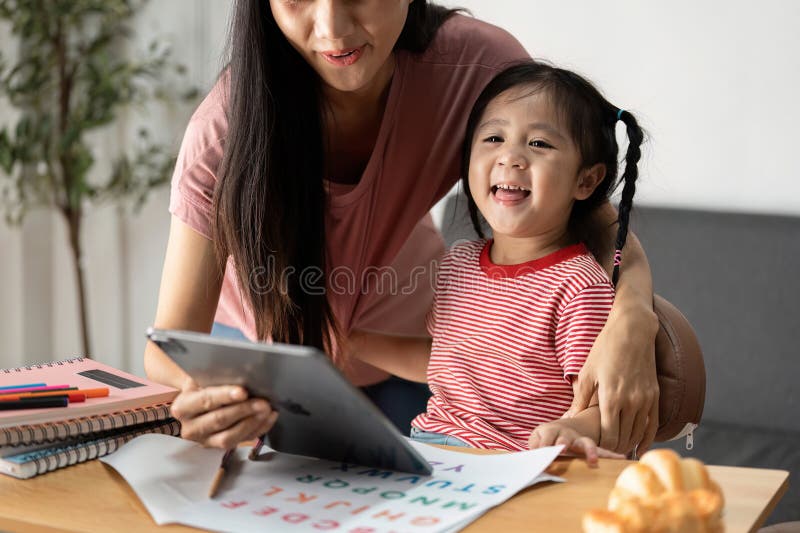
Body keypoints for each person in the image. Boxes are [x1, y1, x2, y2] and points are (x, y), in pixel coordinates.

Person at [144, 0, 659, 454]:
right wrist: (200, 397)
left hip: (423, 357)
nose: (332, 28)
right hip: (265, 363)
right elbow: (169, 345)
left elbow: (598, 225)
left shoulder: (478, 67)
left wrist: (634, 319)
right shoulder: (221, 135)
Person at [351, 60, 645, 465]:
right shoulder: (459, 263)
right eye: (493, 138)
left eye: (539, 144)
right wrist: (353, 341)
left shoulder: (579, 285)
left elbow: (600, 400)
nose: (511, 157)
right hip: (430, 451)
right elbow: (446, 363)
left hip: (516, 468)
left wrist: (575, 429)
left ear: (586, 181)